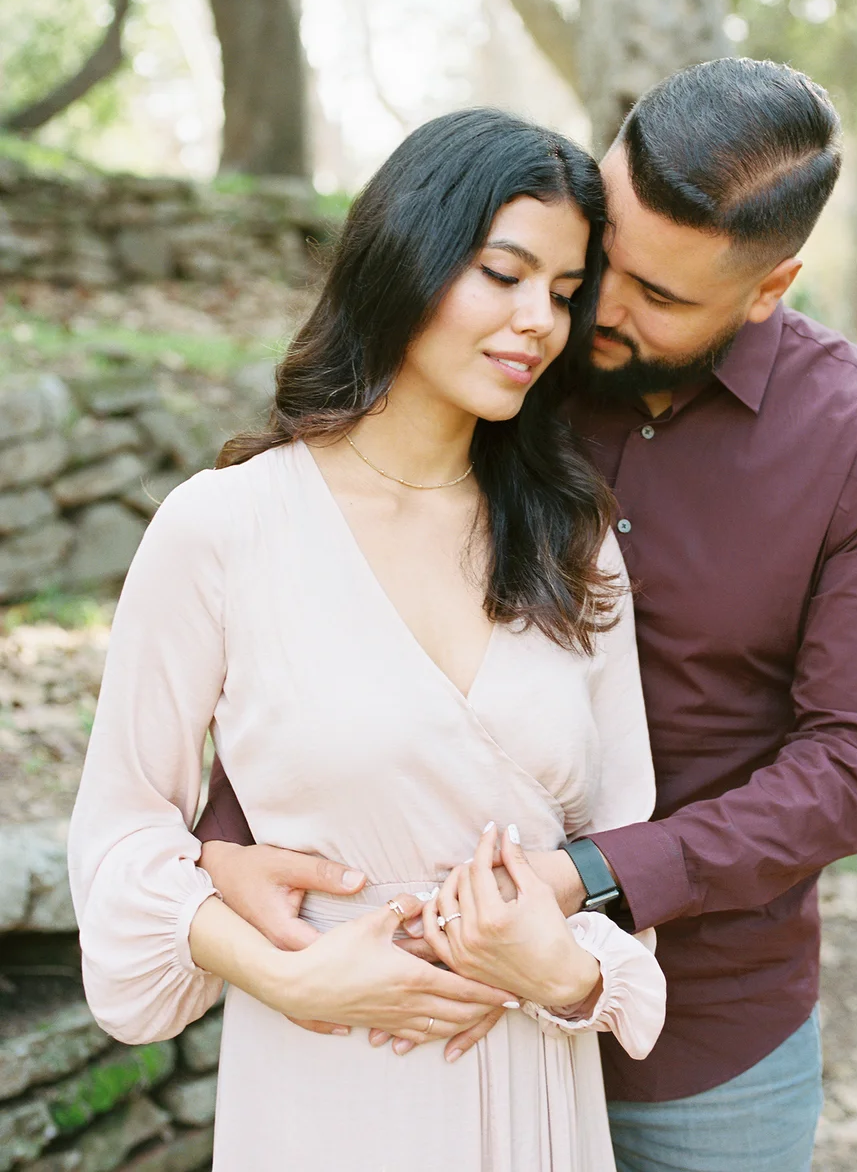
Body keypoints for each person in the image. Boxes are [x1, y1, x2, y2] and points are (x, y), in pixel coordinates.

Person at [198, 59, 857, 1172]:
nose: (593, 306)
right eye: (606, 258)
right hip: (423, 1021)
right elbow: (316, 581)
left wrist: (583, 875)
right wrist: (231, 832)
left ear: (768, 286)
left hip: (701, 1043)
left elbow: (849, 769)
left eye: (658, 295)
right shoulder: (509, 346)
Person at [67, 109, 668, 1172]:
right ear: (408, 253)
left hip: (532, 1072)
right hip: (324, 1073)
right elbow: (119, 834)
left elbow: (621, 840)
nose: (538, 319)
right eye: (503, 271)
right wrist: (282, 972)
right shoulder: (223, 527)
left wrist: (564, 975)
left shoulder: (571, 538)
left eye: (565, 293)